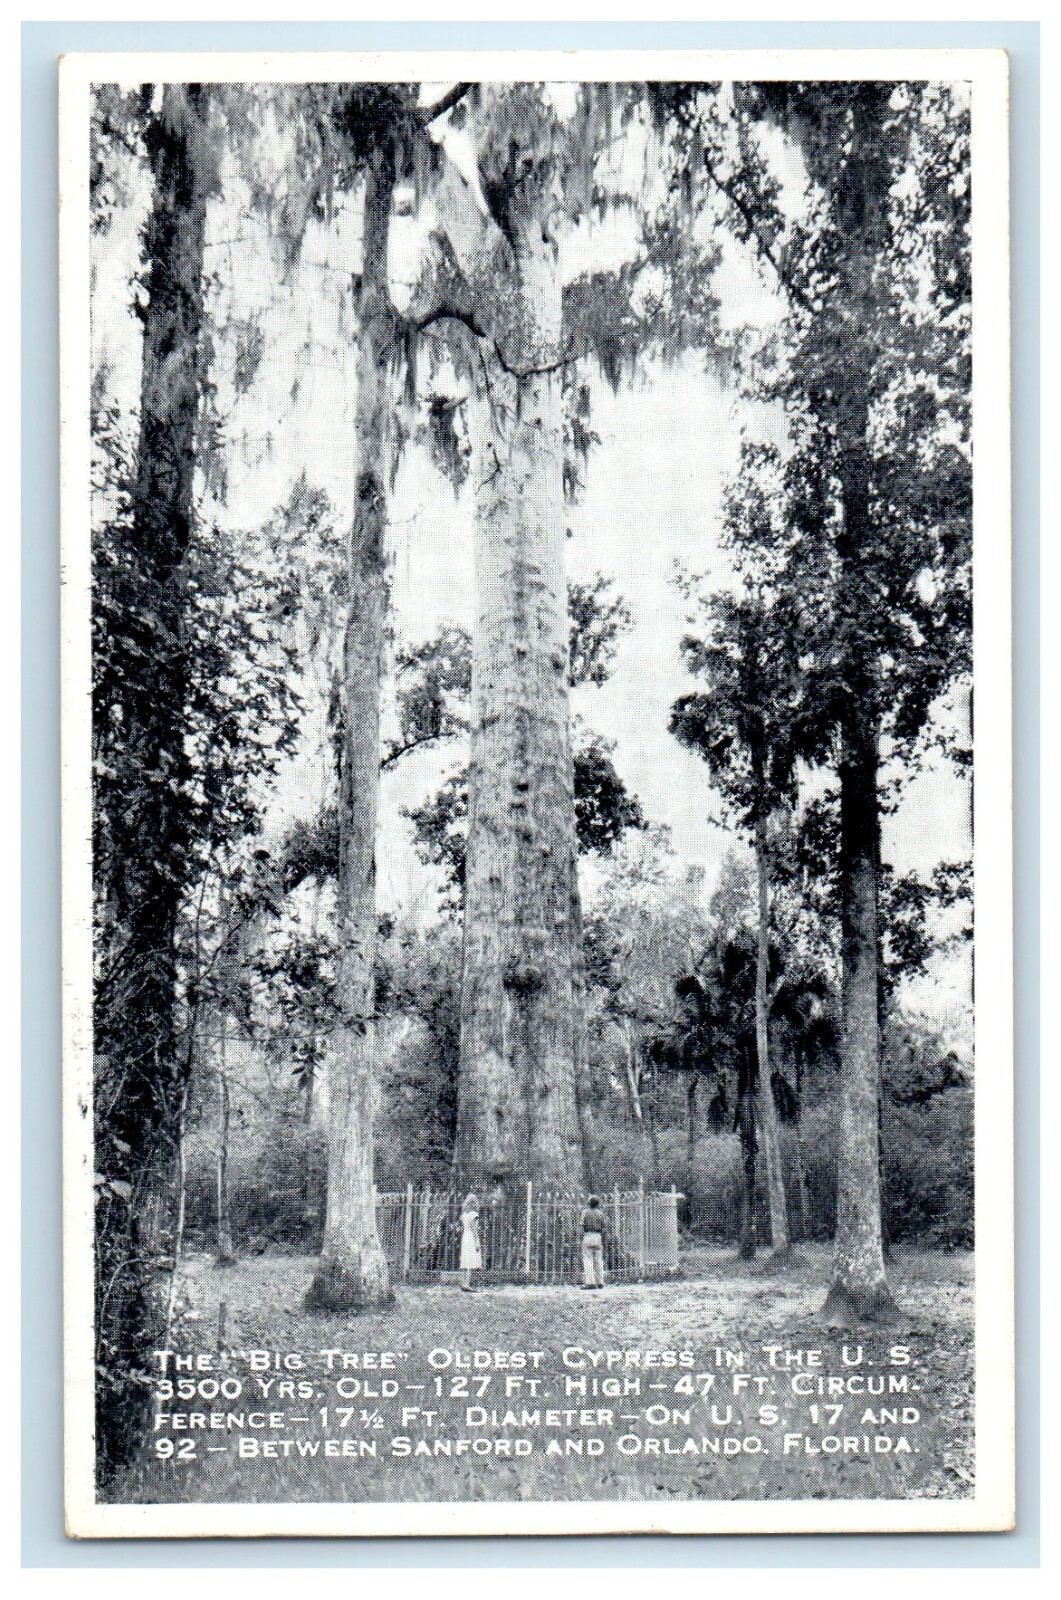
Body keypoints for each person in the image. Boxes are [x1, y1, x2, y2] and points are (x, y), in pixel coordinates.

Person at [580, 1194, 606, 1289]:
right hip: (598, 1236)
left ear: (589, 1203)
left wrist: (582, 1236)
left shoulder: (585, 1212)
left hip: (588, 1235)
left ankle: (590, 1282)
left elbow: (582, 1225)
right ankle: (600, 1282)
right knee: (598, 1260)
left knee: (588, 1260)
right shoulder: (601, 1213)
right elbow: (604, 1227)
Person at [459, 1193, 481, 1291]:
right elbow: (474, 1230)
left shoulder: (464, 1214)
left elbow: (465, 1228)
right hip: (471, 1237)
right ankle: (467, 1284)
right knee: (470, 1261)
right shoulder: (474, 1214)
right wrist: (477, 1243)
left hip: (465, 1236)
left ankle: (463, 1283)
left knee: (465, 1260)